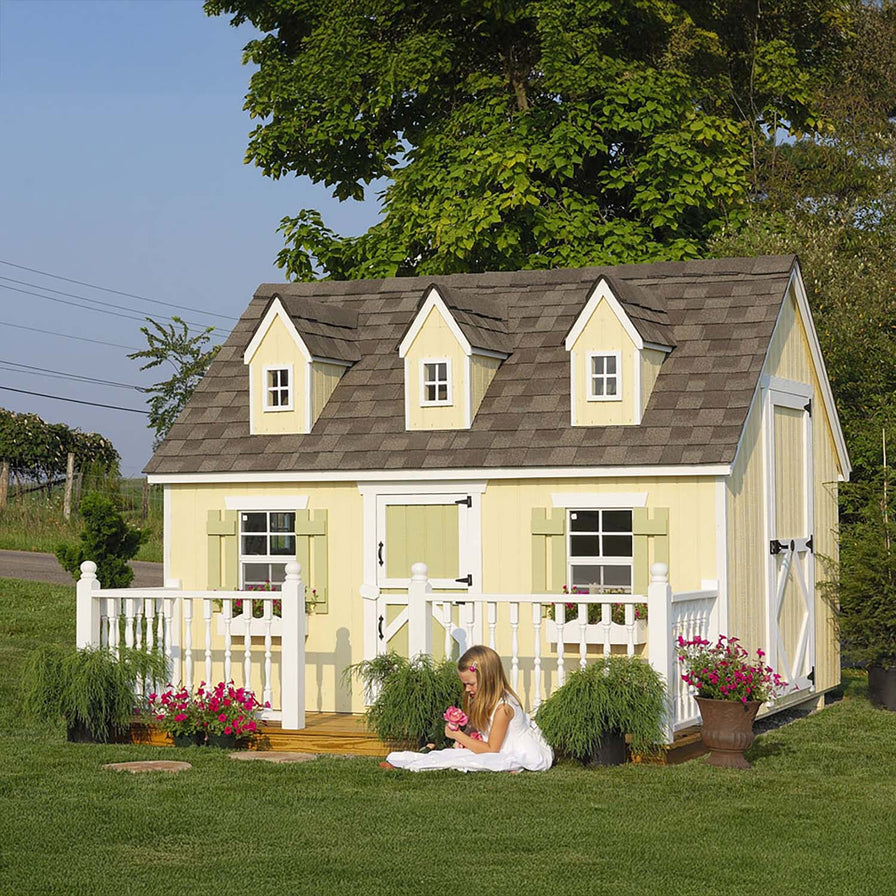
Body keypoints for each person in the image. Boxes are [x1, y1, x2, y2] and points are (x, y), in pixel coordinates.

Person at [381, 645, 553, 773]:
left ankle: (412, 767)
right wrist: (464, 728)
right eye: (465, 684)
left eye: (471, 684)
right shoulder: (483, 699)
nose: (467, 689)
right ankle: (406, 761)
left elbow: (492, 749)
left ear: (489, 680)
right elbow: (483, 732)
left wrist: (457, 735)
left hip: (521, 753)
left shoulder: (503, 708)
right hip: (496, 748)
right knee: (454, 755)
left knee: (465, 761)